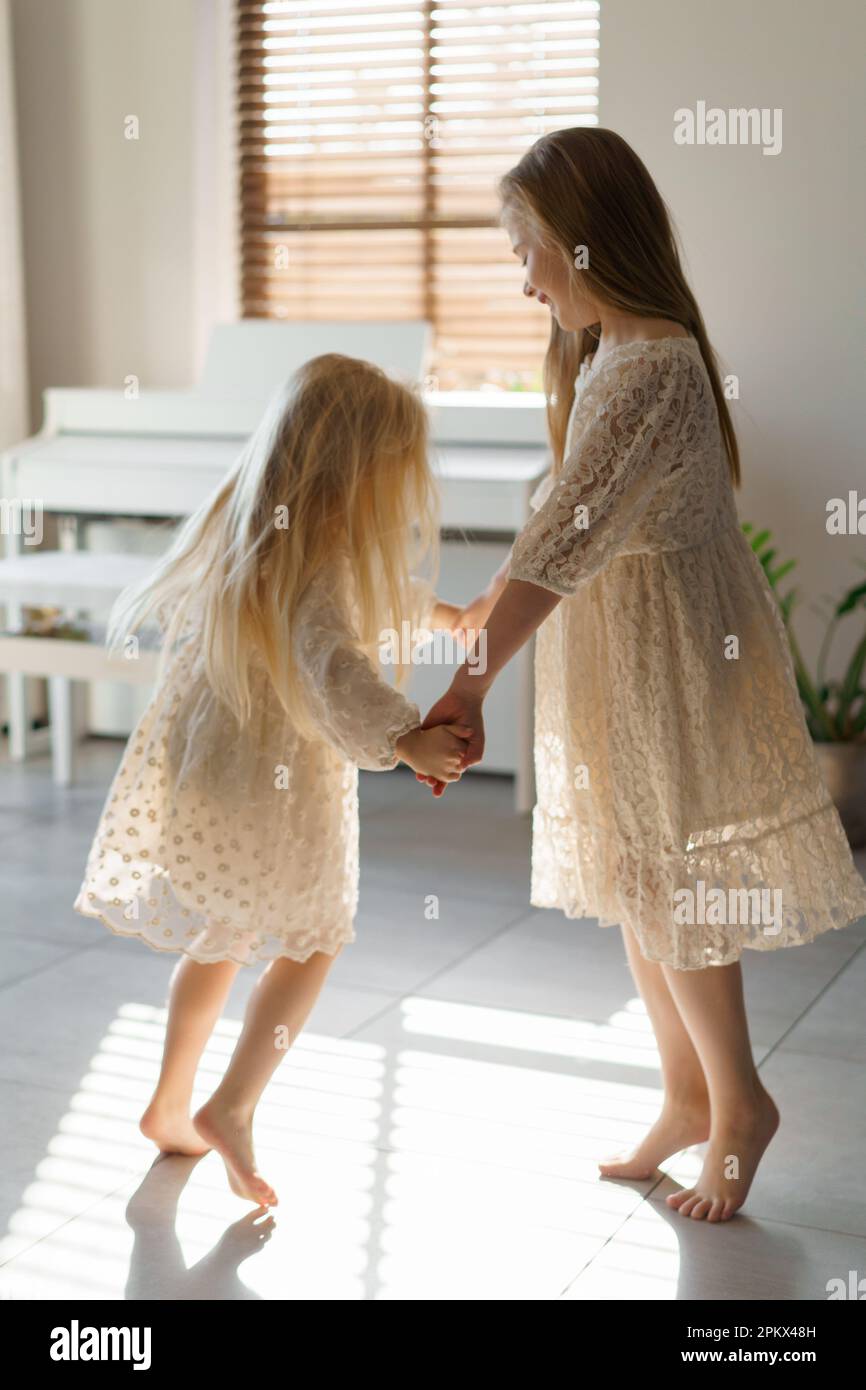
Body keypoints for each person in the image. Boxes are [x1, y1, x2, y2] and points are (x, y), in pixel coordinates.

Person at [419, 127, 866, 1222]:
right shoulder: (613, 354)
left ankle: (737, 1103)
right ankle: (681, 1094)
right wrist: (467, 619)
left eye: (525, 251)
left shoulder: (652, 365)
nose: (521, 280)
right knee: (635, 872)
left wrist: (469, 685)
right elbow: (554, 532)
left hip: (666, 652)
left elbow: (562, 545)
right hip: (625, 647)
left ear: (577, 242)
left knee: (672, 878)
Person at [74, 352, 470, 1207]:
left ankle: (171, 1102)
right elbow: (333, 662)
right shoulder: (318, 558)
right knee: (312, 939)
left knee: (217, 938)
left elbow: (359, 599)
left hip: (212, 770)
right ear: (356, 472)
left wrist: (448, 617)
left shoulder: (257, 527)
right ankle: (233, 1105)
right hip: (276, 781)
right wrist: (408, 739)